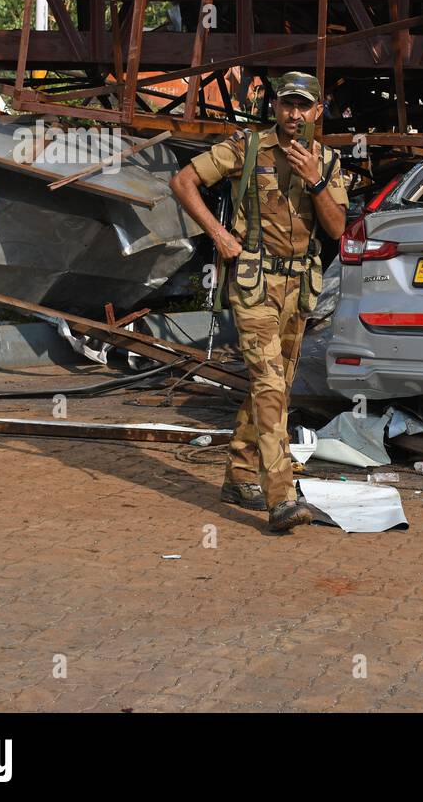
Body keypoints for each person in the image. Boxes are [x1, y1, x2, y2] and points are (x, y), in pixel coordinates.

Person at [169, 71, 348, 531]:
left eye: (303, 106)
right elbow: (183, 181)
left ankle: (239, 474)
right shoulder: (246, 148)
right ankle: (282, 496)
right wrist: (220, 235)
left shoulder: (326, 161)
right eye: (287, 104)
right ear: (275, 107)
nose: (294, 114)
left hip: (300, 287)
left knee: (276, 387)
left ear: (317, 111)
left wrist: (313, 181)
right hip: (254, 284)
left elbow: (337, 229)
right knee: (270, 385)